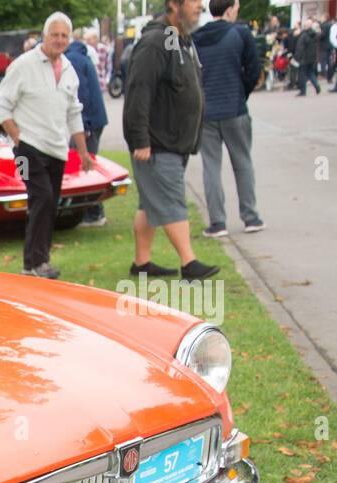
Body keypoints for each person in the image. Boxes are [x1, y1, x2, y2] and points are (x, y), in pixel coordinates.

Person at [123, 0, 220, 281]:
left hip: (173, 142)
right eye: (194, 2)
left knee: (149, 204)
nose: (200, 6)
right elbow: (139, 91)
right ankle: (189, 264)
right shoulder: (156, 42)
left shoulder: (180, 39)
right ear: (174, 5)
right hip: (157, 143)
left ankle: (141, 263)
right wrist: (141, 139)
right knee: (172, 201)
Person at [0, 12, 95, 279]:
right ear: (44, 35)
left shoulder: (70, 70)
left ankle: (41, 261)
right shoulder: (24, 65)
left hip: (56, 149)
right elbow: (1, 104)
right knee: (42, 198)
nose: (59, 40)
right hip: (27, 149)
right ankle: (32, 264)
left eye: (64, 36)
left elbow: (74, 112)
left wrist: (84, 153)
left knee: (50, 204)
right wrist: (17, 137)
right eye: (55, 35)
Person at [193, 0, 264, 238]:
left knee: (211, 166)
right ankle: (250, 216)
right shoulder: (240, 33)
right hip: (234, 108)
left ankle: (217, 222)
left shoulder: (196, 37)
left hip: (206, 111)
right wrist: (241, 92)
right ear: (230, 9)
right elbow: (254, 69)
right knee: (242, 162)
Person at [65, 30, 108, 226]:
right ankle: (90, 210)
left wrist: (83, 125)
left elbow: (81, 96)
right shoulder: (79, 57)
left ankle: (95, 212)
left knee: (85, 164)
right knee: (82, 162)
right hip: (94, 118)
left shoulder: (71, 61)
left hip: (88, 121)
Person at [294, 19, 323, 95]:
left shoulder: (304, 36)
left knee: (302, 74)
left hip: (304, 58)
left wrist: (297, 57)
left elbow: (299, 48)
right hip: (312, 57)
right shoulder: (315, 35)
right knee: (310, 73)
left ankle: (303, 91)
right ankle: (317, 86)